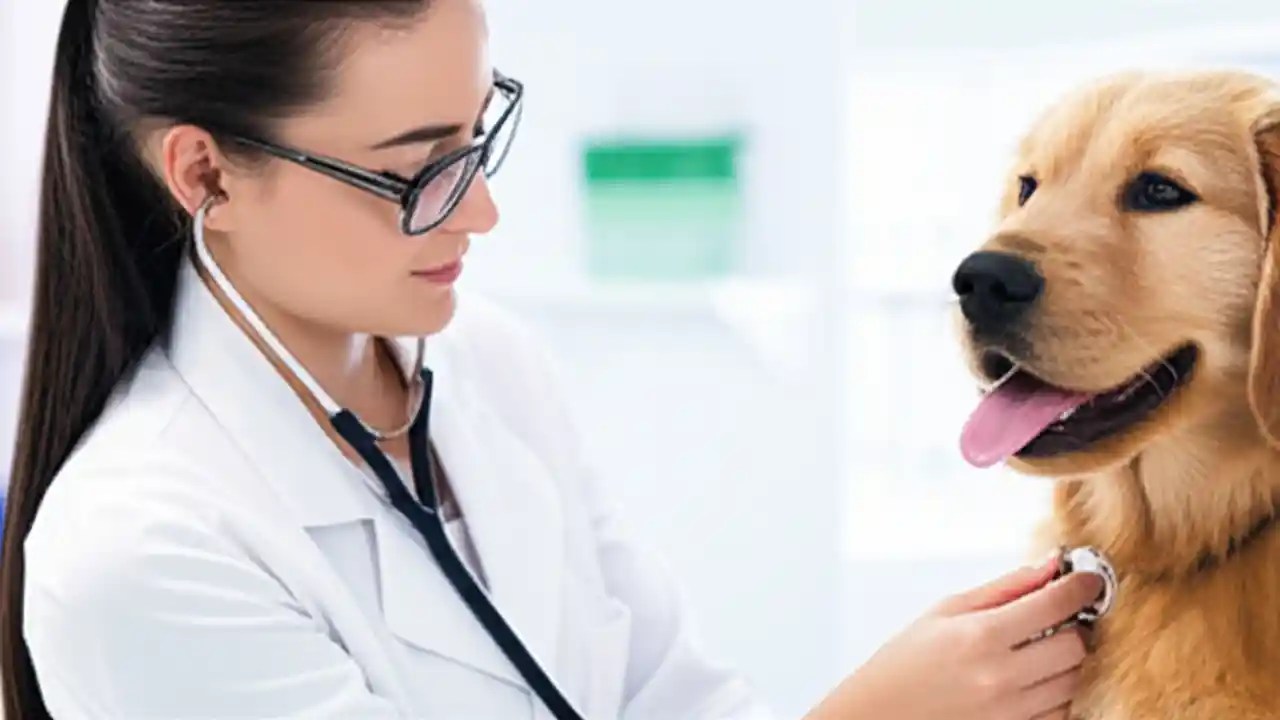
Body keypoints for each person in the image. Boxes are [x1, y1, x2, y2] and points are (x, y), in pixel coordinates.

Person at [0, 1, 1104, 718]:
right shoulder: (137, 555)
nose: (480, 211)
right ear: (206, 176)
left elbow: (667, 699)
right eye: (416, 171)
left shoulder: (481, 362)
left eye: (477, 138)